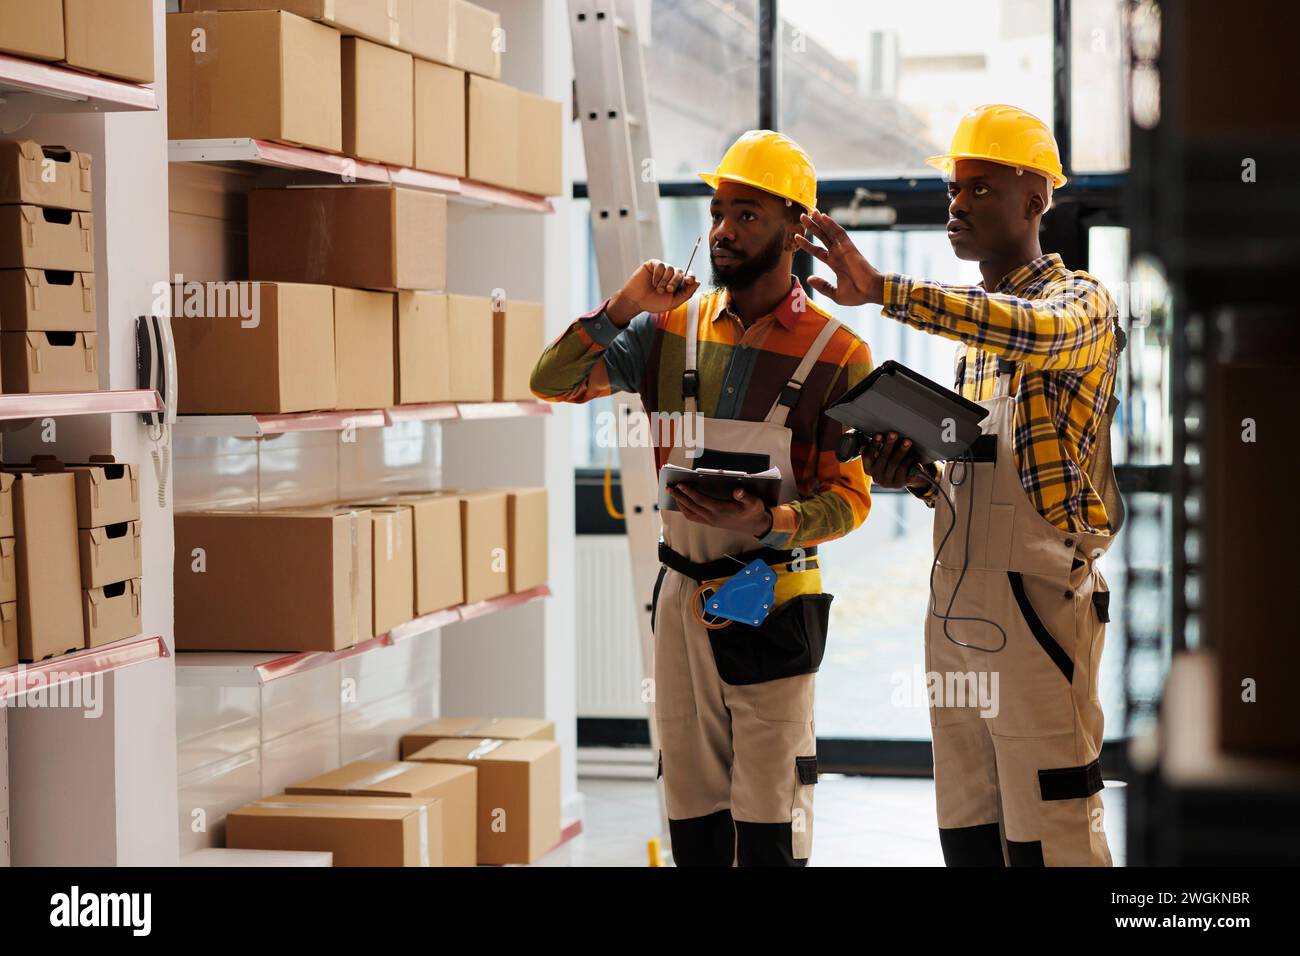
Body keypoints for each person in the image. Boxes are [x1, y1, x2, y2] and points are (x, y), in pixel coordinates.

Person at [531, 131, 874, 866]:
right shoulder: (666, 331)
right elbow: (552, 380)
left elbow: (850, 499)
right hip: (681, 600)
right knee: (692, 814)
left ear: (795, 228)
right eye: (719, 212)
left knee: (769, 820)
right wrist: (624, 304)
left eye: (747, 215)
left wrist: (772, 520)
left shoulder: (837, 354)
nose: (723, 229)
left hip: (772, 597)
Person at [797, 104, 1124, 866]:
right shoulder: (973, 353)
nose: (957, 205)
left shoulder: (1081, 307)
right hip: (953, 607)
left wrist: (883, 290)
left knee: (1055, 824)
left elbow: (1023, 329)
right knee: (969, 823)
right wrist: (913, 475)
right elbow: (972, 480)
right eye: (954, 189)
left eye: (980, 189)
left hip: (1037, 605)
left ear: (1036, 200)